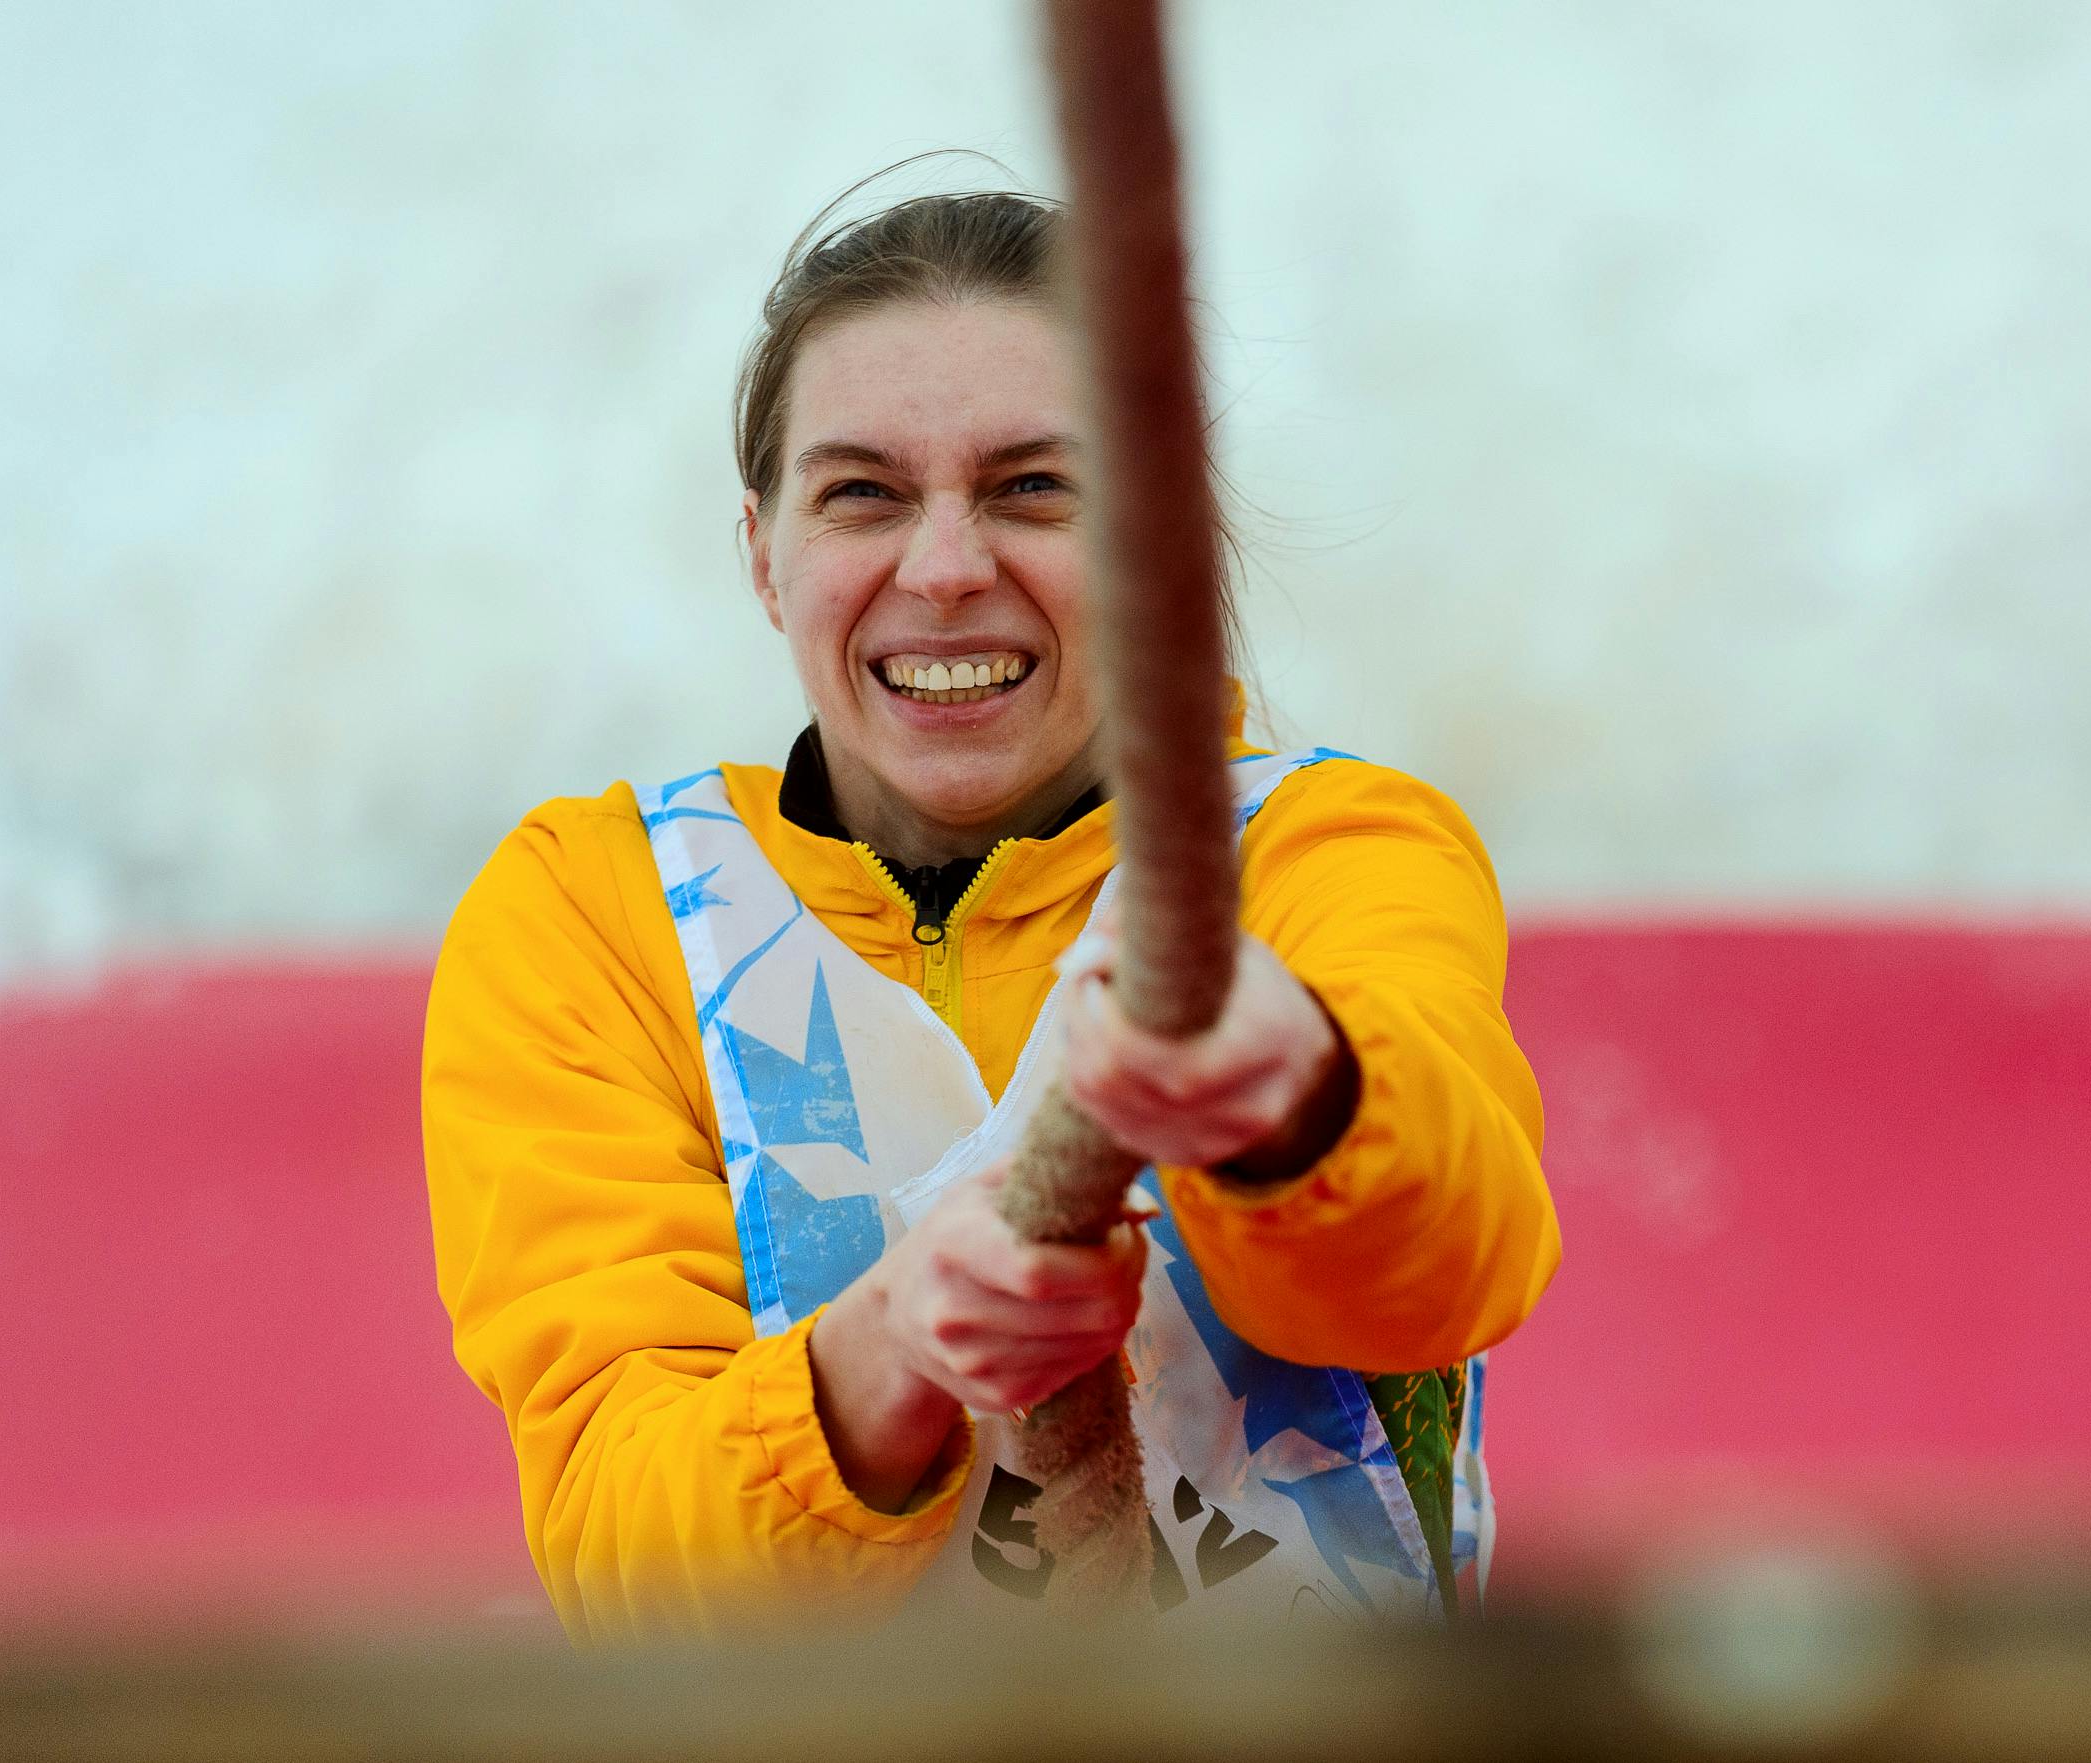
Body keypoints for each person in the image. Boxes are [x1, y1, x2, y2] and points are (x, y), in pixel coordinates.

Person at [422, 188, 1559, 1645]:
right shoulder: (595, 918)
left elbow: (1449, 1261)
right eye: (861, 495)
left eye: (1033, 487)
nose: (946, 568)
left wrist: (1296, 1093)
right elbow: (630, 1571)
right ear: (764, 555)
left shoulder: (1322, 854)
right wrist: (885, 1355)